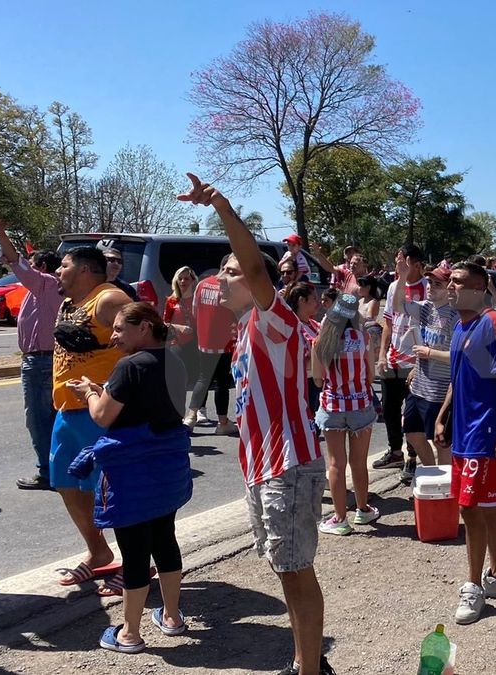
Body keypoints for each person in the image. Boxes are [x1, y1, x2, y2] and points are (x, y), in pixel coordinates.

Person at [177, 173, 333, 675]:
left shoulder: (275, 318)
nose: (220, 279)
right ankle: (304, 661)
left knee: (295, 571)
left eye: (229, 271)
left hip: (287, 461)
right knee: (283, 569)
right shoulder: (243, 329)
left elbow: (253, 267)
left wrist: (220, 205)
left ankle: (310, 670)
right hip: (262, 464)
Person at [65, 303, 191, 654]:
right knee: (165, 540)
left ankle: (130, 634)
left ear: (145, 328)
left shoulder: (128, 366)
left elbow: (103, 417)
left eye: (121, 328)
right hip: (167, 469)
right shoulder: (174, 361)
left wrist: (91, 393)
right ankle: (171, 617)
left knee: (135, 552)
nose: (114, 334)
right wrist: (105, 387)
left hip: (131, 473)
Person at [434, 262, 496, 625]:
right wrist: (443, 414)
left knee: (470, 509)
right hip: (464, 432)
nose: (450, 287)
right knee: (487, 508)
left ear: (480, 287)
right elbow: (456, 378)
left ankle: (473, 586)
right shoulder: (459, 327)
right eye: (449, 281)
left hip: (485, 433)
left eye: (458, 281)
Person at [49, 246, 128, 588]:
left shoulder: (109, 299)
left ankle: (137, 562)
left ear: (84, 270)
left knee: (120, 489)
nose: (57, 271)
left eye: (63, 265)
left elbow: (149, 338)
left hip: (101, 412)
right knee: (67, 483)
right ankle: (98, 552)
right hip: (67, 411)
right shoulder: (69, 302)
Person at [0, 216, 61, 491]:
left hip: (41, 361)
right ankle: (58, 470)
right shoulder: (45, 287)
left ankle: (47, 472)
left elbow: (12, 259)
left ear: (41, 267)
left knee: (39, 421)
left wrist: (0, 234)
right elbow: (9, 261)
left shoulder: (43, 282)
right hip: (48, 359)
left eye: (32, 266)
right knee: (52, 419)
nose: (24, 272)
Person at [311, 293, 379, 535]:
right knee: (359, 462)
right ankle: (363, 509)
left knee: (336, 464)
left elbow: (318, 379)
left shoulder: (321, 341)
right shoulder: (364, 338)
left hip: (333, 407)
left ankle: (340, 518)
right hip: (360, 405)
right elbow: (371, 375)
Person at [393, 257, 456, 468]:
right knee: (411, 433)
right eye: (430, 283)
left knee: (441, 441)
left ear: (449, 289)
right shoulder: (426, 307)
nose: (431, 287)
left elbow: (458, 356)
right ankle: (431, 471)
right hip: (419, 386)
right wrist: (402, 277)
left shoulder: (456, 316)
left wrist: (429, 352)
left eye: (437, 284)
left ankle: (447, 489)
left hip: (439, 391)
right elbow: (398, 305)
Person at [375, 244, 429, 479]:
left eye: (401, 259)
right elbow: (389, 321)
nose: (397, 263)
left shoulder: (428, 288)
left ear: (415, 264)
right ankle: (395, 450)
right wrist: (381, 354)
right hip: (393, 358)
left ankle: (412, 457)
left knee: (412, 412)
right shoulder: (393, 287)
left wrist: (421, 362)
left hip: (416, 360)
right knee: (389, 408)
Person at [187, 272, 237, 435]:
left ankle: (191, 416)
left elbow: (195, 311)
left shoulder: (202, 284)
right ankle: (222, 422)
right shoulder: (229, 286)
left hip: (204, 341)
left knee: (203, 377)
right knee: (222, 382)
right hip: (225, 342)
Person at [285, 282, 322, 417]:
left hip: (317, 380)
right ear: (302, 300)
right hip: (303, 383)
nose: (317, 302)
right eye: (314, 299)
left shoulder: (314, 324)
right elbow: (302, 360)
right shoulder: (292, 327)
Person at [163, 266, 199, 402]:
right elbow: (165, 323)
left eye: (187, 278)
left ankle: (199, 409)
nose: (183, 281)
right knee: (178, 378)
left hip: (196, 342)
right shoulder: (172, 301)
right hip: (177, 342)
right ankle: (178, 408)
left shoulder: (198, 299)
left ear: (193, 281)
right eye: (180, 279)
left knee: (196, 378)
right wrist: (179, 327)